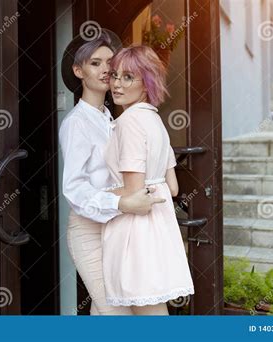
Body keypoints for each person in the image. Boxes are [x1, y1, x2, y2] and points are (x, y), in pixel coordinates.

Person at [59, 30, 165, 315]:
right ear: (78, 71)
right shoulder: (76, 123)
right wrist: (121, 202)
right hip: (90, 232)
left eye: (110, 62)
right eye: (95, 63)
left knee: (108, 310)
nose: (106, 69)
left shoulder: (114, 118)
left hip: (119, 228)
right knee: (117, 313)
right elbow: (74, 189)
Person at [102, 45, 194, 315]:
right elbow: (174, 187)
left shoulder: (129, 122)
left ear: (148, 82)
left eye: (128, 77)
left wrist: (98, 193)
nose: (117, 84)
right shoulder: (156, 122)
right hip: (159, 229)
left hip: (137, 231)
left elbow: (134, 193)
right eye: (115, 75)